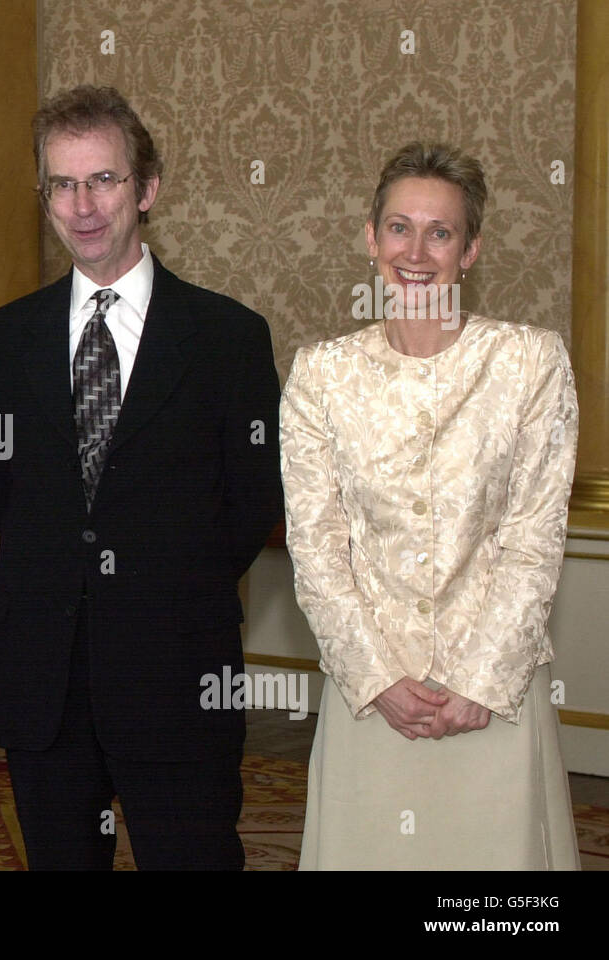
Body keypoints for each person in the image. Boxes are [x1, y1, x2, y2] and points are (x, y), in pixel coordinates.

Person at [0, 85, 283, 870]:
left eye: (103, 180)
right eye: (62, 184)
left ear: (146, 190)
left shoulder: (228, 338)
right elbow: (4, 493)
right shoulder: (7, 338)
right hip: (44, 676)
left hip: (177, 672)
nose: (83, 205)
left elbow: (252, 505)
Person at [282, 142, 581, 870]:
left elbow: (534, 540)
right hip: (373, 699)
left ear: (471, 248)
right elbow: (316, 547)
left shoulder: (529, 364)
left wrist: (479, 681)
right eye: (398, 228)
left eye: (440, 232)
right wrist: (379, 677)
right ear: (370, 237)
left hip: (494, 696)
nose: (416, 252)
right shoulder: (322, 376)